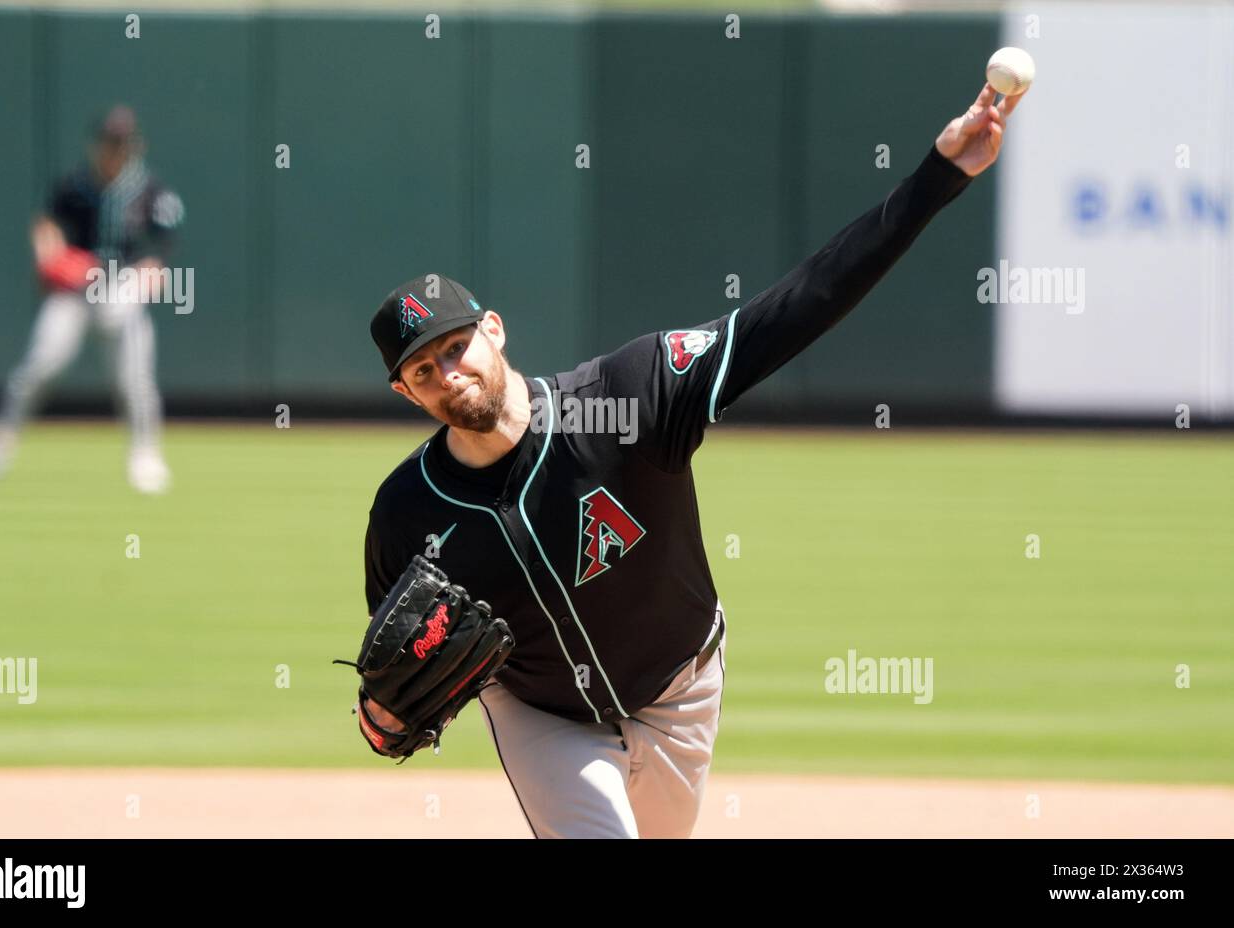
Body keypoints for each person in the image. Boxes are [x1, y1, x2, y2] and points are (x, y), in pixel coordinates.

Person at [360, 84, 1023, 837]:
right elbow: (398, 662)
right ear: (406, 393)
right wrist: (379, 714)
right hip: (545, 719)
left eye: (456, 347)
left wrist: (938, 177)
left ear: (495, 331)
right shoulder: (407, 511)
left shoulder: (633, 395)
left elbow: (803, 301)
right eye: (425, 370)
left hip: (680, 688)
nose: (449, 373)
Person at [0, 104, 183, 494]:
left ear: (135, 146)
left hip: (122, 287)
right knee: (39, 367)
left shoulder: (151, 189)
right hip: (75, 290)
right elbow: (47, 226)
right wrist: (49, 256)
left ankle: (146, 458)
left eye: (123, 143)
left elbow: (162, 245)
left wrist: (150, 273)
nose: (116, 150)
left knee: (134, 382)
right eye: (110, 142)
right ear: (96, 144)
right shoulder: (74, 185)